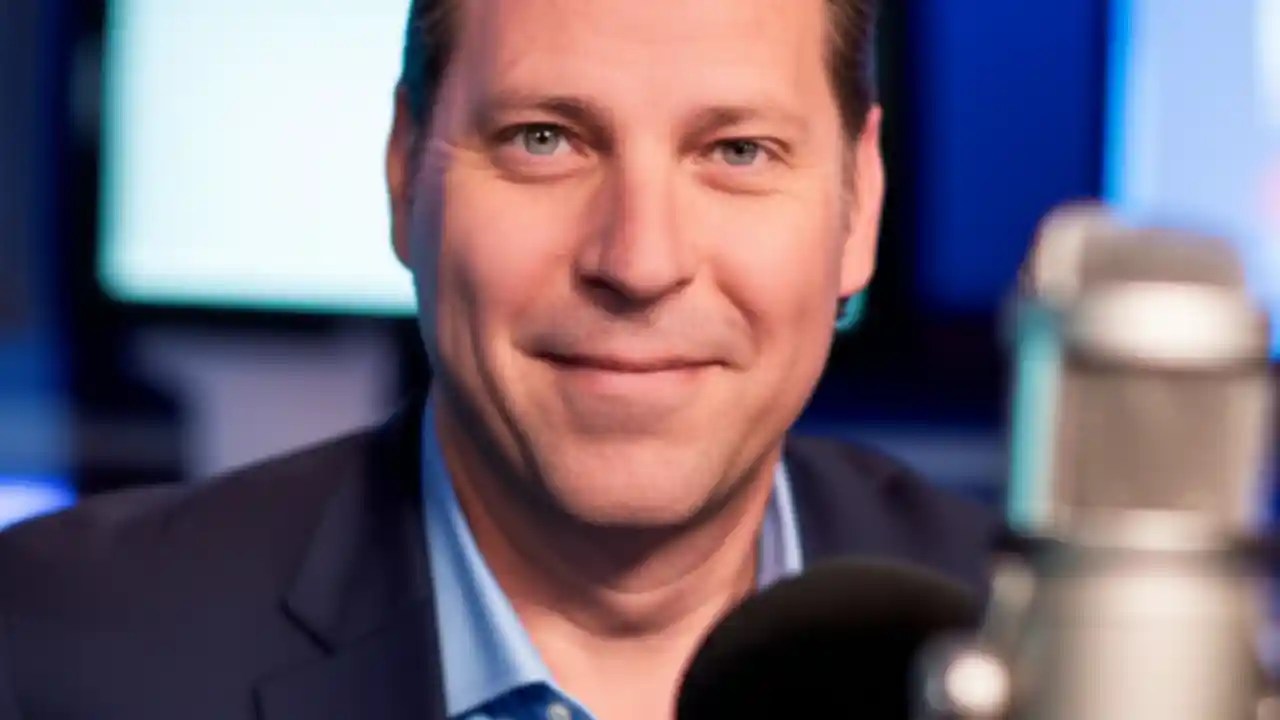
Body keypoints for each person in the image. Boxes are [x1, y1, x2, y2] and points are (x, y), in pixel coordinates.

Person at [0, 0, 997, 718]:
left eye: (735, 152)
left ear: (858, 202)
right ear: (403, 172)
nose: (639, 261)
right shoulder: (51, 652)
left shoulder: (1058, 661)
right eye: (543, 139)